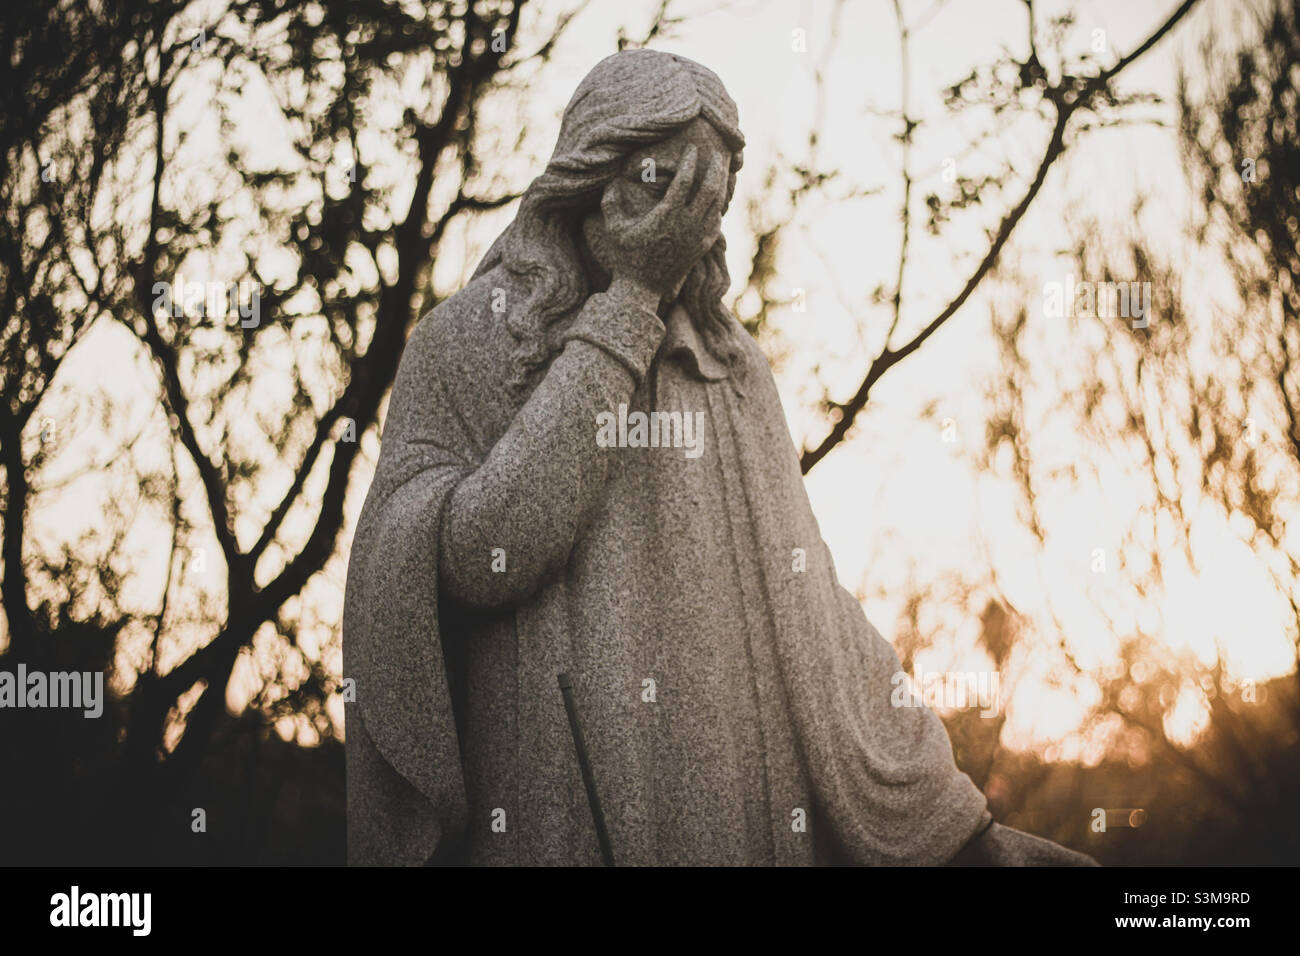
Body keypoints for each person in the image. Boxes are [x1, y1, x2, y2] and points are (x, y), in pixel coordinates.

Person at [343, 49, 1095, 867]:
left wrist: (957, 826)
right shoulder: (472, 343)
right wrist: (627, 308)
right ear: (588, 177)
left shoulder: (729, 370)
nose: (688, 220)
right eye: (665, 183)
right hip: (546, 810)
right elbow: (480, 556)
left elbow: (811, 607)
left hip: (740, 812)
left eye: (711, 196)